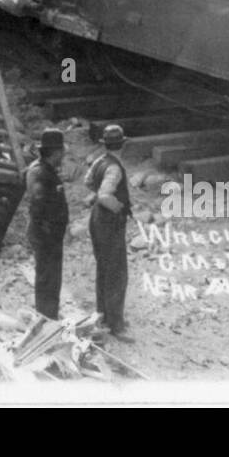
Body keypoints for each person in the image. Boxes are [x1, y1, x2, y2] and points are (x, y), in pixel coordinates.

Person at [85, 124, 133, 340]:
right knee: (117, 272)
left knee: (104, 268)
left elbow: (88, 182)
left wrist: (100, 196)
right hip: (109, 221)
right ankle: (116, 325)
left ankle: (104, 315)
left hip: (96, 219)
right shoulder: (114, 168)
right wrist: (118, 207)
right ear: (122, 145)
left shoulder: (99, 161)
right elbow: (105, 195)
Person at [25, 128, 69, 319]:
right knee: (47, 278)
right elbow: (37, 202)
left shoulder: (45, 169)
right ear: (56, 152)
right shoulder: (40, 172)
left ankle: (49, 316)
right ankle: (46, 319)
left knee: (51, 277)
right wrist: (47, 229)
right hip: (45, 234)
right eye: (62, 151)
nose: (64, 154)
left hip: (49, 233)